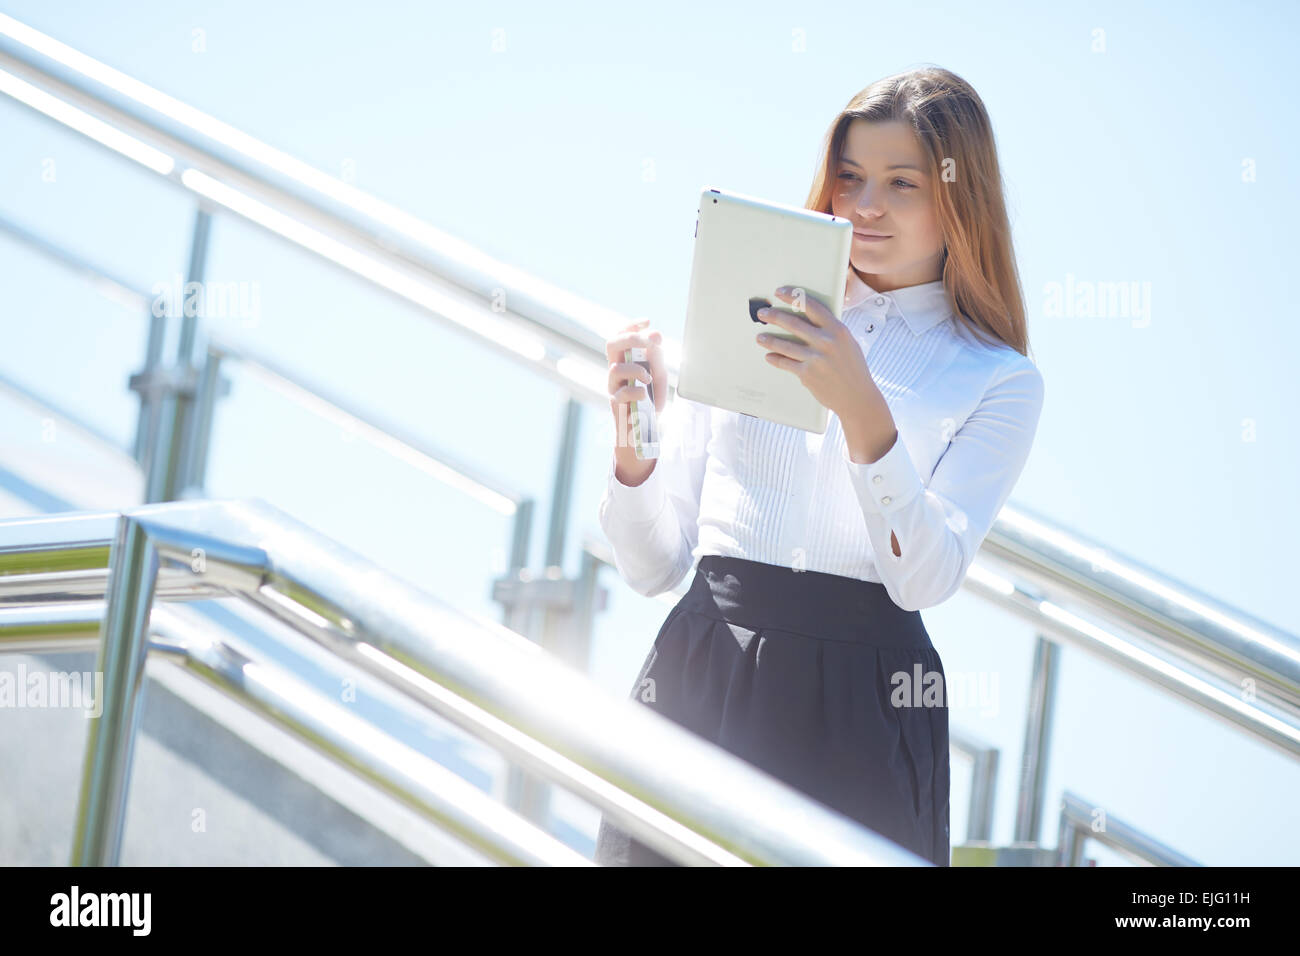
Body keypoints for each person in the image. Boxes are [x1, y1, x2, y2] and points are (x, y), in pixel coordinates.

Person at [596, 66, 1045, 867]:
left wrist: (863, 412)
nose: (865, 207)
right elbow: (656, 565)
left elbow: (924, 578)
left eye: (900, 184)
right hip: (704, 660)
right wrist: (638, 455)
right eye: (849, 178)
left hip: (867, 703)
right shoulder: (754, 300)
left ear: (959, 196)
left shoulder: (997, 377)